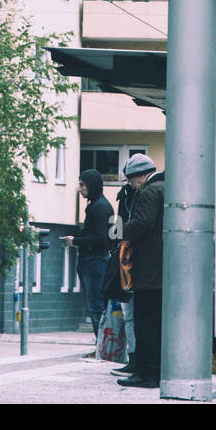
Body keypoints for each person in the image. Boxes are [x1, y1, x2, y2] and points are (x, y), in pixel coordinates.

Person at [115, 153, 163, 388]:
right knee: (157, 324)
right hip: (164, 270)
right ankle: (157, 370)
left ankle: (146, 373)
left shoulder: (149, 192)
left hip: (149, 270)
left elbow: (143, 223)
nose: (132, 185)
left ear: (142, 176)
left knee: (145, 324)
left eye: (132, 180)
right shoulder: (166, 188)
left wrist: (121, 231)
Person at [61, 169, 114, 343]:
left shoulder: (98, 207)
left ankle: (102, 346)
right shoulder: (100, 205)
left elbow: (100, 238)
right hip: (95, 260)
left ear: (90, 185)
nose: (80, 189)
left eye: (82, 185)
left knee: (95, 306)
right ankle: (103, 345)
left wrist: (75, 241)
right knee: (97, 305)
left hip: (94, 261)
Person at [108, 174, 140, 375]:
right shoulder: (125, 196)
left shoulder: (134, 196)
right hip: (127, 260)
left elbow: (117, 230)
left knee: (133, 314)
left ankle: (136, 358)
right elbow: (116, 230)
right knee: (130, 313)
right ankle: (134, 357)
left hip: (132, 259)